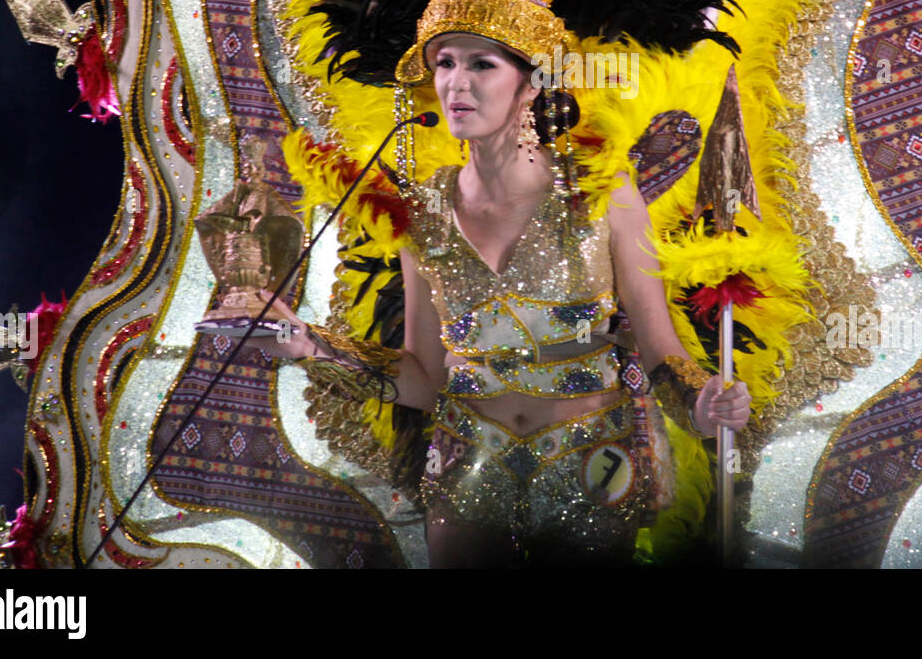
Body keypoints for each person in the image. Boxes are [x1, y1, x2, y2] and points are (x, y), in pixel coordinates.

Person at [244, 30, 749, 566]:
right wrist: (306, 345)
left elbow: (658, 350)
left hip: (591, 465)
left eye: (481, 65)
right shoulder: (421, 213)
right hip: (467, 468)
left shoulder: (602, 193)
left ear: (531, 86)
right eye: (444, 64)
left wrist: (702, 401)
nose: (456, 83)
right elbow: (423, 377)